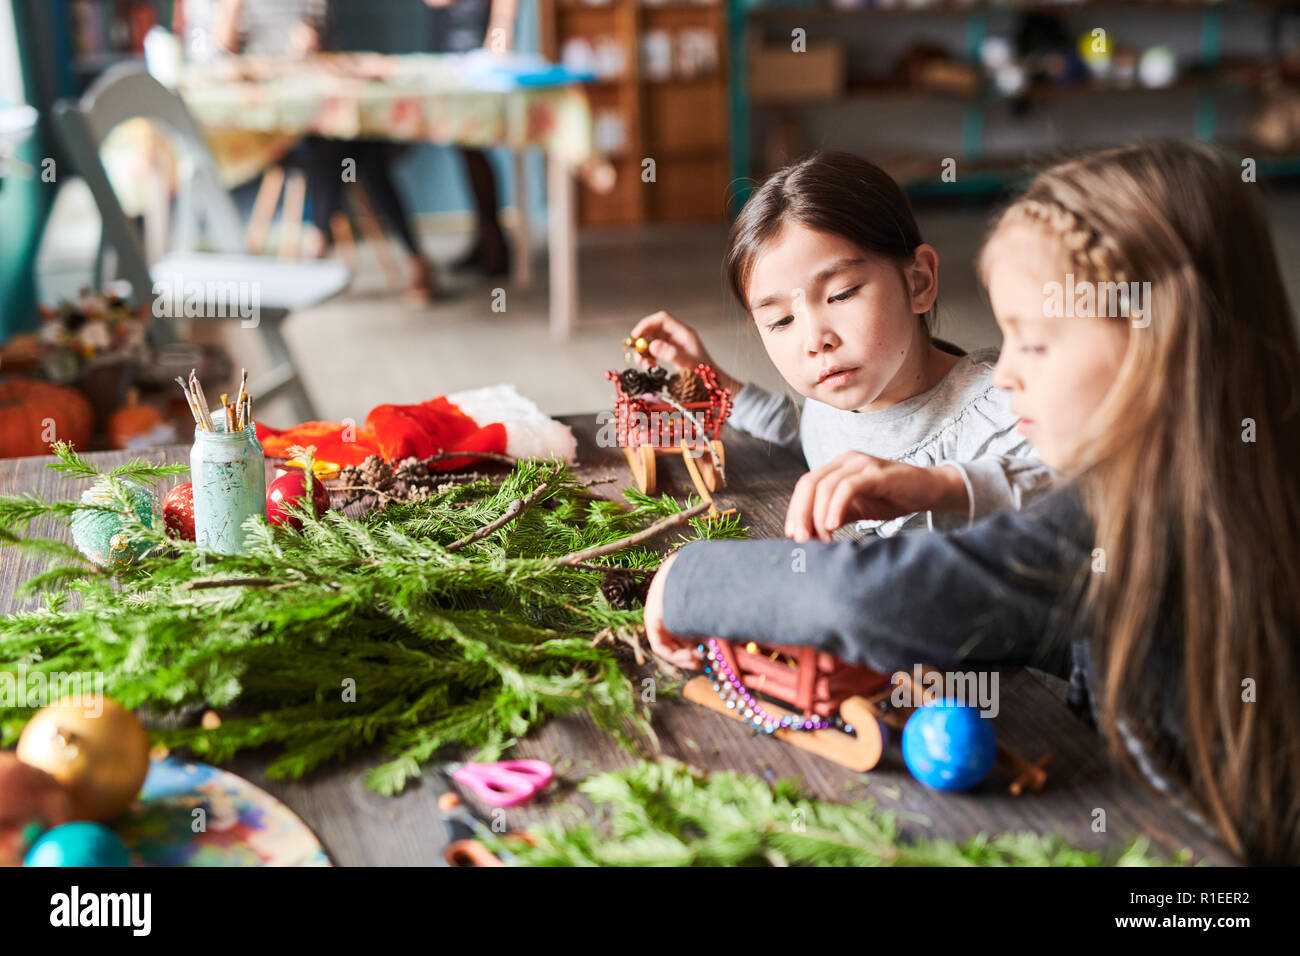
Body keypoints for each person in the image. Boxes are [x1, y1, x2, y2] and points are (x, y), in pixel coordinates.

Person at [644, 140, 1300, 865]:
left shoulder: (1132, 508)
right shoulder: (1219, 463)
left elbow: (880, 601)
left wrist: (687, 578)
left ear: (1160, 343)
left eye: (1037, 343)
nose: (1005, 370)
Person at [632, 152, 1051, 538]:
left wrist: (940, 486)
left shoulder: (1006, 410)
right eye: (781, 320)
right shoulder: (830, 405)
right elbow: (802, 430)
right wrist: (713, 379)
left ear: (918, 281)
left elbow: (1083, 487)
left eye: (842, 294)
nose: (816, 340)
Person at [212, 0, 437, 301]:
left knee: (354, 143)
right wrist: (231, 12)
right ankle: (414, 257)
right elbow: (217, 57)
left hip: (316, 120)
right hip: (271, 134)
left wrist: (312, 47)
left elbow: (328, 54)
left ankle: (320, 238)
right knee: (353, 149)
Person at [425, 0, 517, 278]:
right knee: (465, 149)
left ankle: (494, 242)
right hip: (449, 59)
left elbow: (505, 12)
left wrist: (494, 57)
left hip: (479, 60)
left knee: (475, 148)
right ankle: (485, 238)